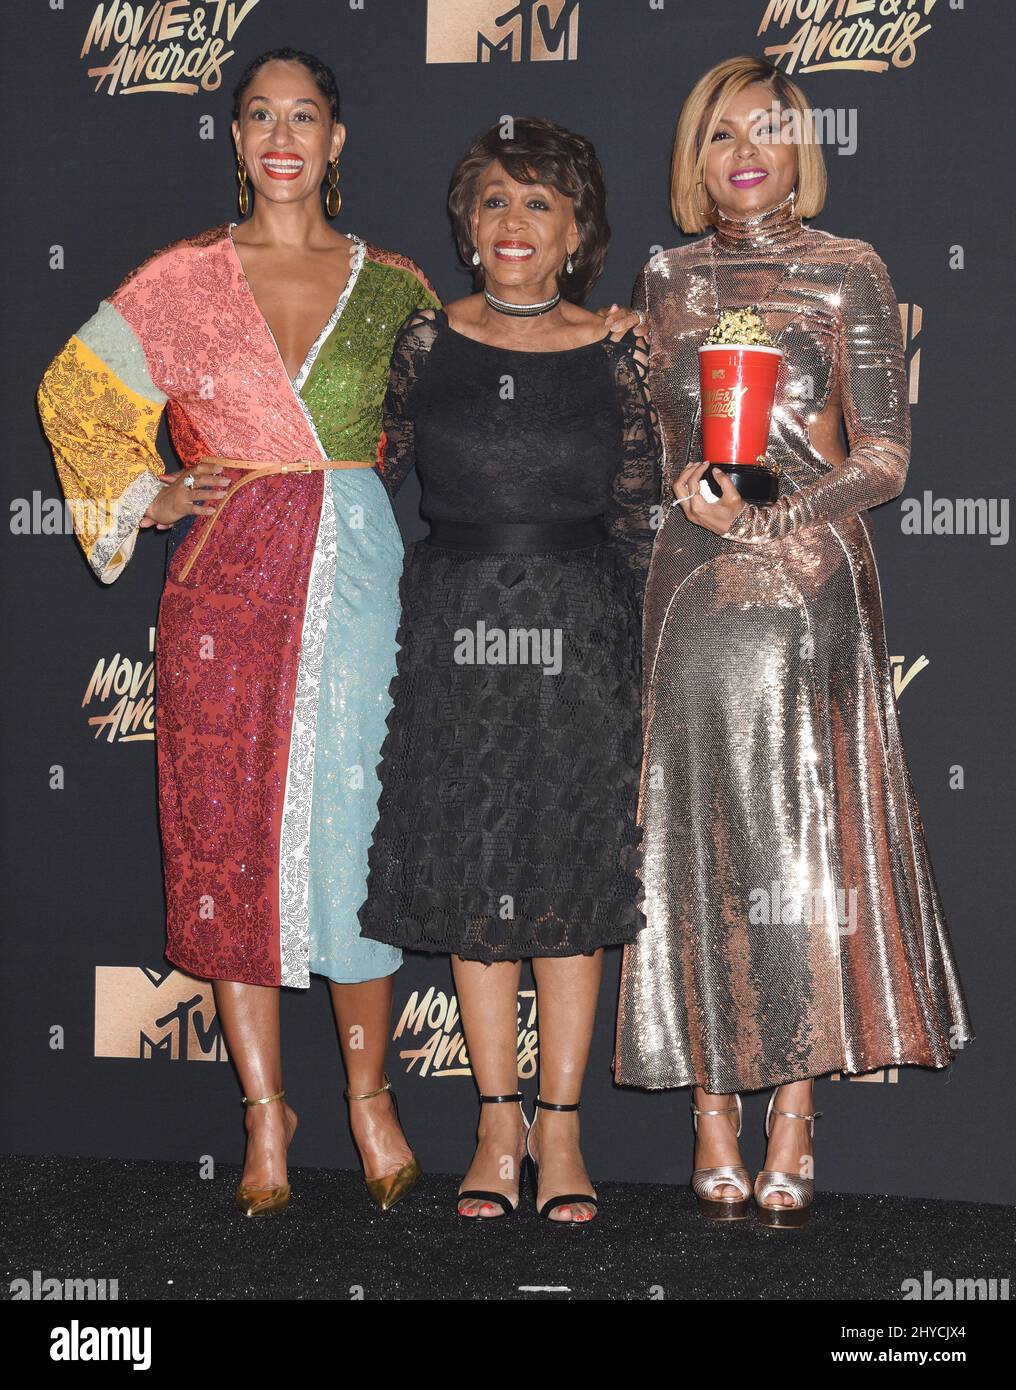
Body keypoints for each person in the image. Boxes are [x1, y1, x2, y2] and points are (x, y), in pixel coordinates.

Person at [36, 49, 441, 1216]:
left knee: (359, 830)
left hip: (360, 576)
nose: (281, 136)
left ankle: (371, 1103)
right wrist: (146, 493)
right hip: (221, 591)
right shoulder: (181, 280)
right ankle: (266, 1115)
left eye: (304, 115)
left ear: (337, 140)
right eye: (258, 114)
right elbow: (77, 389)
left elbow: (464, 398)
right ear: (231, 134)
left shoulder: (396, 285)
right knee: (225, 834)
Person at [614, 56, 973, 1228]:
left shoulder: (845, 268)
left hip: (808, 574)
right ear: (694, 154)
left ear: (801, 143)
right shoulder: (664, 276)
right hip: (685, 578)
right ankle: (709, 1108)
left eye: (767, 130)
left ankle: (794, 1113)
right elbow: (650, 446)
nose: (744, 154)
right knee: (692, 839)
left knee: (797, 841)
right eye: (720, 134)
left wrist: (777, 518)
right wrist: (677, 489)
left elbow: (883, 455)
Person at [357, 118, 660, 1222]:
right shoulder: (424, 345)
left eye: (539, 203)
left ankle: (562, 1130)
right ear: (466, 226)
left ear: (577, 229)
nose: (513, 223)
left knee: (568, 882)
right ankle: (494, 1124)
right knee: (478, 870)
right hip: (455, 628)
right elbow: (362, 479)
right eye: (493, 201)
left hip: (579, 630)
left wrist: (641, 655)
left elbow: (638, 520)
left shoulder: (621, 348)